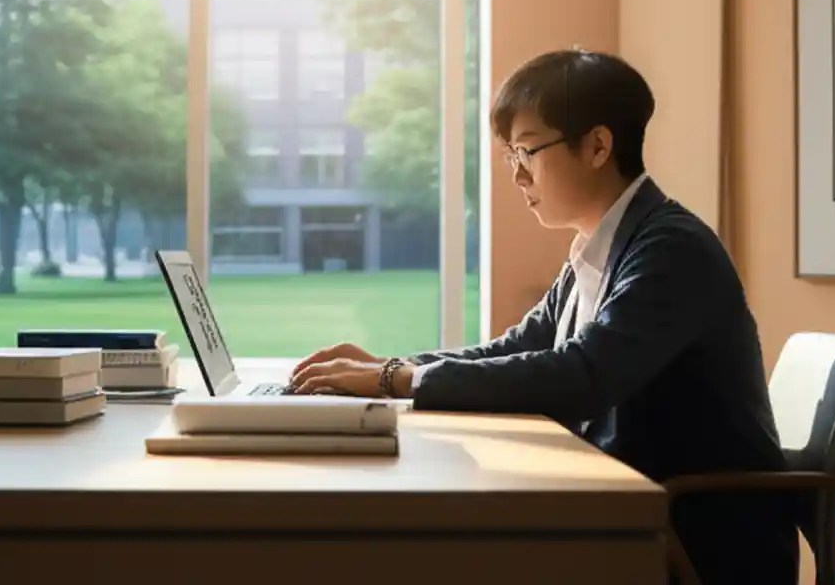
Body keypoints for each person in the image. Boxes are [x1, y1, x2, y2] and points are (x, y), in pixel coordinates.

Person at [289, 48, 797, 585]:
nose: (516, 175)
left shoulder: (670, 249)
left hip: (700, 540)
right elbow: (515, 348)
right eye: (511, 154)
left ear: (598, 146)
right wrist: (391, 368)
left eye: (527, 151)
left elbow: (582, 375)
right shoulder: (602, 247)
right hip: (635, 512)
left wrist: (396, 379)